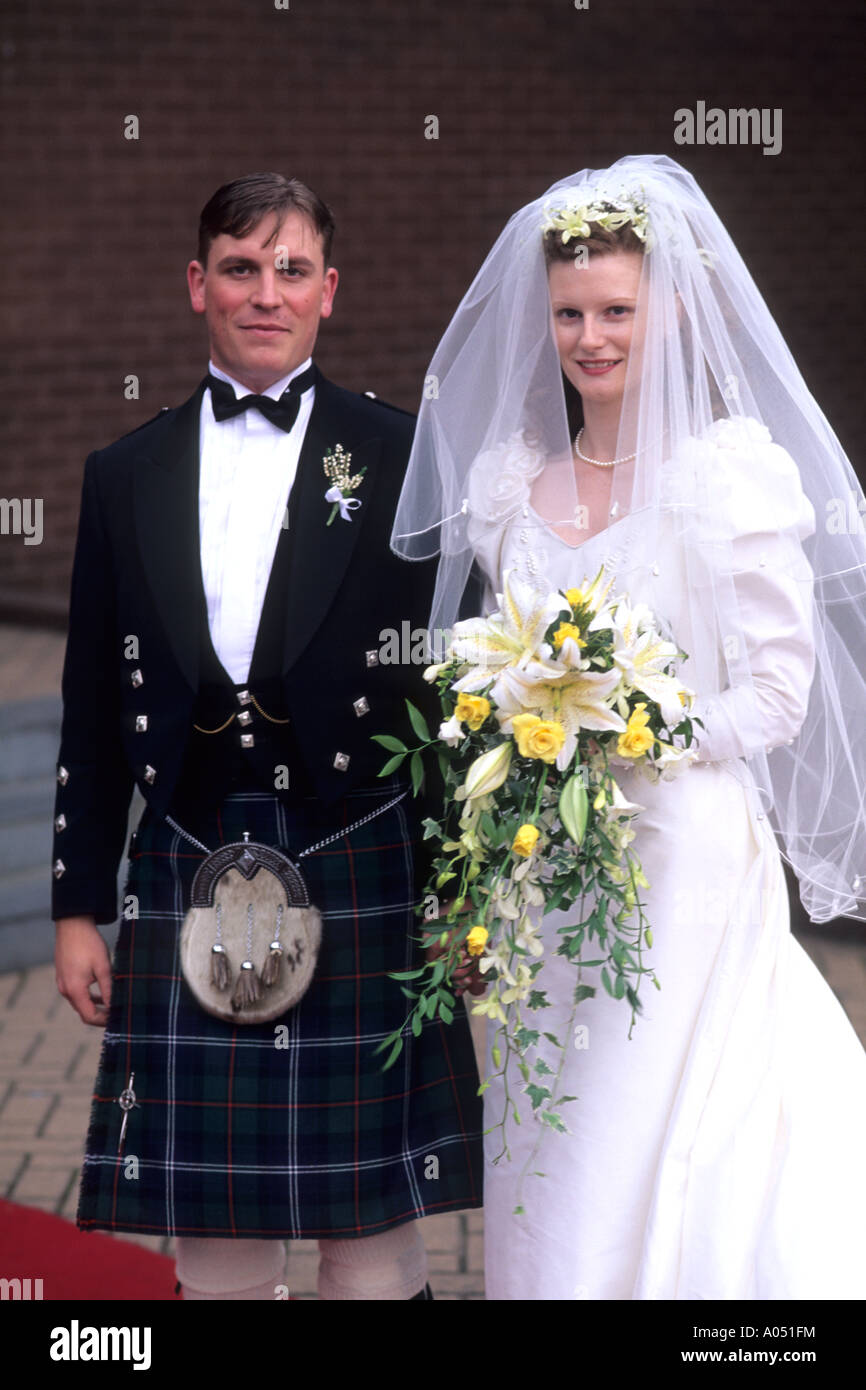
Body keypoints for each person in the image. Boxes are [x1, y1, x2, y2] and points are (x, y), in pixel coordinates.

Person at [391, 154, 866, 1299]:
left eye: (615, 310)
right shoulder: (511, 489)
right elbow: (493, 685)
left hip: (682, 864)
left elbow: (774, 696)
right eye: (567, 313)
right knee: (550, 1116)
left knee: (659, 1116)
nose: (589, 337)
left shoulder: (726, 481)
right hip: (540, 867)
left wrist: (624, 728)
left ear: (669, 313)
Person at [52, 172, 483, 1301]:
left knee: (373, 1236)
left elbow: (449, 705)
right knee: (217, 1230)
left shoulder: (401, 458)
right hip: (188, 850)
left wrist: (460, 897)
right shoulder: (122, 473)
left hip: (362, 854)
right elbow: (92, 708)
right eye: (240, 268)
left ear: (328, 291)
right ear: (198, 284)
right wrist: (74, 905)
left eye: (290, 269)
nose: (264, 292)